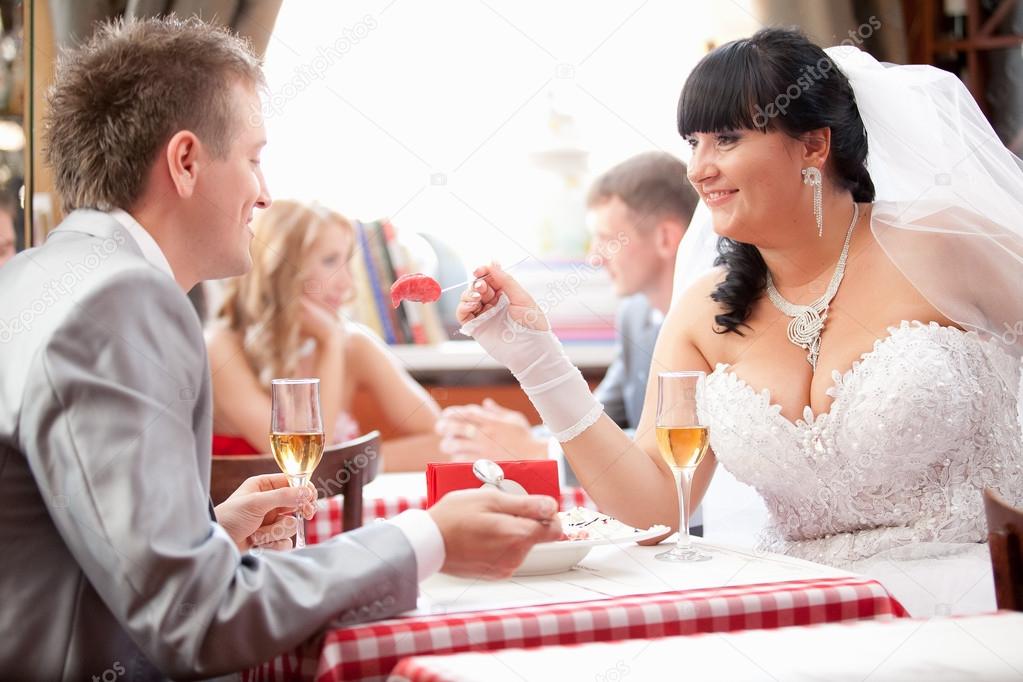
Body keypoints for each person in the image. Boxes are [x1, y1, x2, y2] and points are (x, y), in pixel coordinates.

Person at [0, 17, 560, 680]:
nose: (263, 193)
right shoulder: (123, 300)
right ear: (185, 162)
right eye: (253, 157)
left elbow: (73, 535)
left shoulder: (33, 276)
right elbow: (196, 618)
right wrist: (429, 538)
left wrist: (209, 533)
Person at [456, 28, 1023, 617]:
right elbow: (652, 510)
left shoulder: (943, 248)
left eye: (725, 138)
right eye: (692, 143)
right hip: (799, 614)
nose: (699, 170)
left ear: (813, 146)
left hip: (978, 601)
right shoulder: (703, 314)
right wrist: (534, 357)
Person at [435, 152, 697, 467]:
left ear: (665, 238)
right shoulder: (634, 316)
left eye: (606, 238)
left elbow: (676, 449)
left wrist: (536, 450)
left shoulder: (710, 323)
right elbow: (599, 420)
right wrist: (521, 436)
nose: (595, 257)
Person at [208, 199, 442, 470]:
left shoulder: (353, 344)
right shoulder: (222, 347)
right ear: (283, 268)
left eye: (347, 262)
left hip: (334, 510)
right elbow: (307, 463)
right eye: (330, 261)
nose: (347, 283)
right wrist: (330, 344)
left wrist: (349, 468)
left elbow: (443, 439)